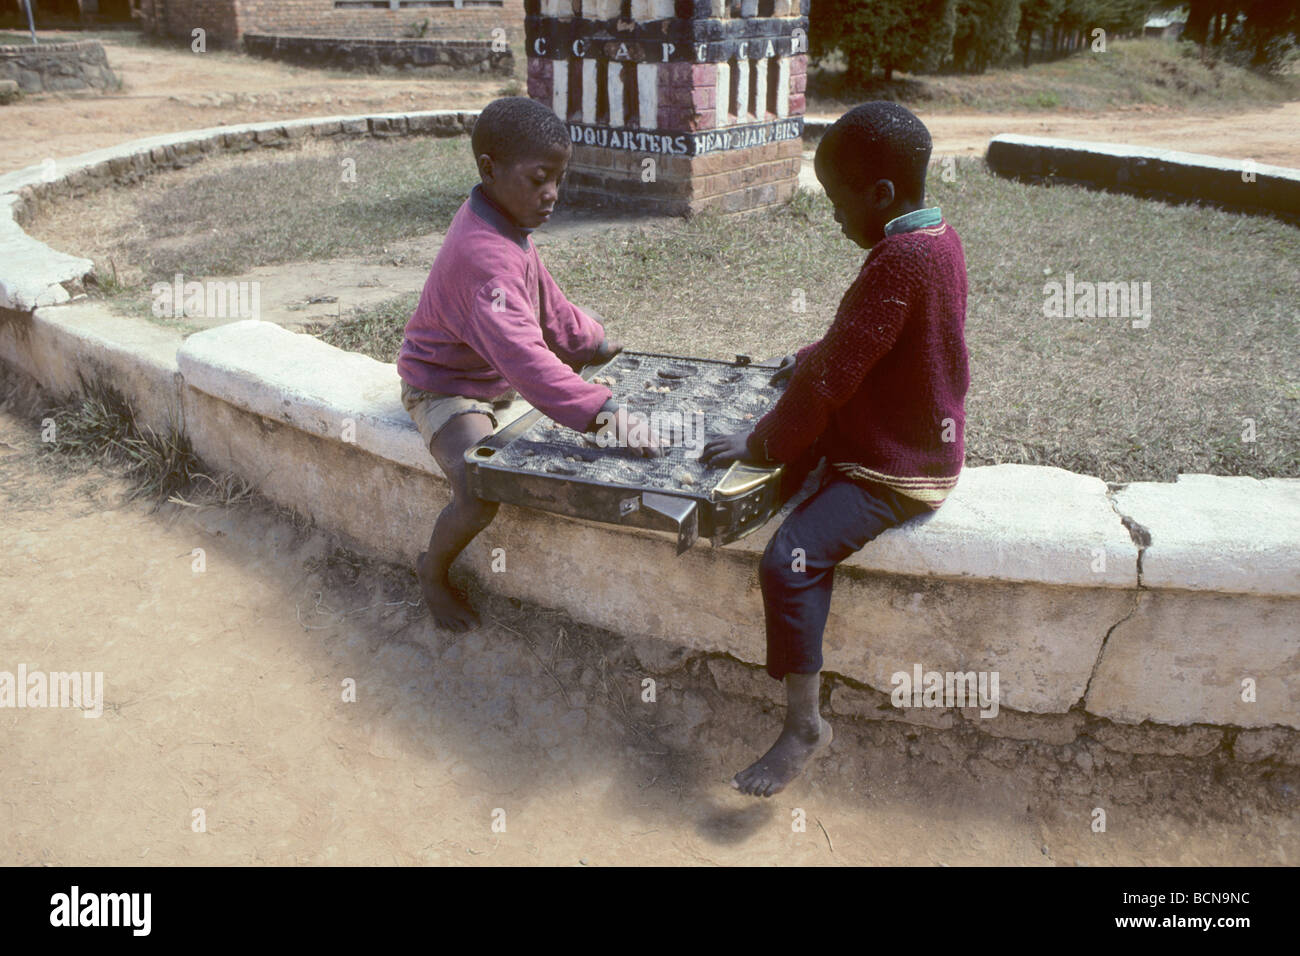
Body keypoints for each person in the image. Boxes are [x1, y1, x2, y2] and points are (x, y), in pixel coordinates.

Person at [701, 102, 970, 797]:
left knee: (789, 561)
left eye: (838, 200)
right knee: (794, 428)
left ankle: (803, 727)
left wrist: (760, 444)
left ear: (878, 195)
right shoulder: (939, 240)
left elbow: (832, 378)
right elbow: (857, 347)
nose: (834, 217)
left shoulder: (895, 262)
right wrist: (802, 359)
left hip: (898, 468)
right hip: (912, 436)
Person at [398, 96, 662, 632]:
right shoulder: (483, 259)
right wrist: (605, 414)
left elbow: (545, 304)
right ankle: (431, 571)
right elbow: (526, 359)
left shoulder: (502, 218)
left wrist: (589, 342)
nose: (552, 195)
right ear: (489, 170)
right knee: (478, 486)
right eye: (540, 178)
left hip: (494, 373)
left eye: (559, 179)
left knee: (578, 370)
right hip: (446, 387)